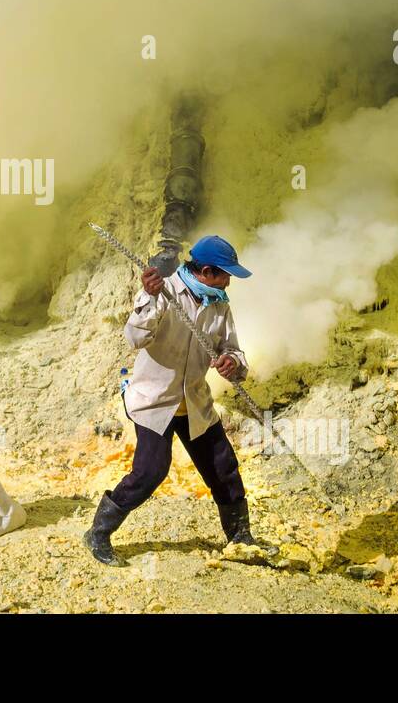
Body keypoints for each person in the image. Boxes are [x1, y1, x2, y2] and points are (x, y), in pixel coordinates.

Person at [84, 234, 272, 566]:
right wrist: (150, 297)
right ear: (207, 271)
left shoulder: (219, 304)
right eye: (226, 273)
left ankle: (241, 538)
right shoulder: (164, 291)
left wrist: (233, 363)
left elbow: (232, 348)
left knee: (223, 468)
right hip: (154, 401)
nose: (229, 281)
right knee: (150, 472)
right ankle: (99, 532)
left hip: (194, 402)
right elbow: (135, 336)